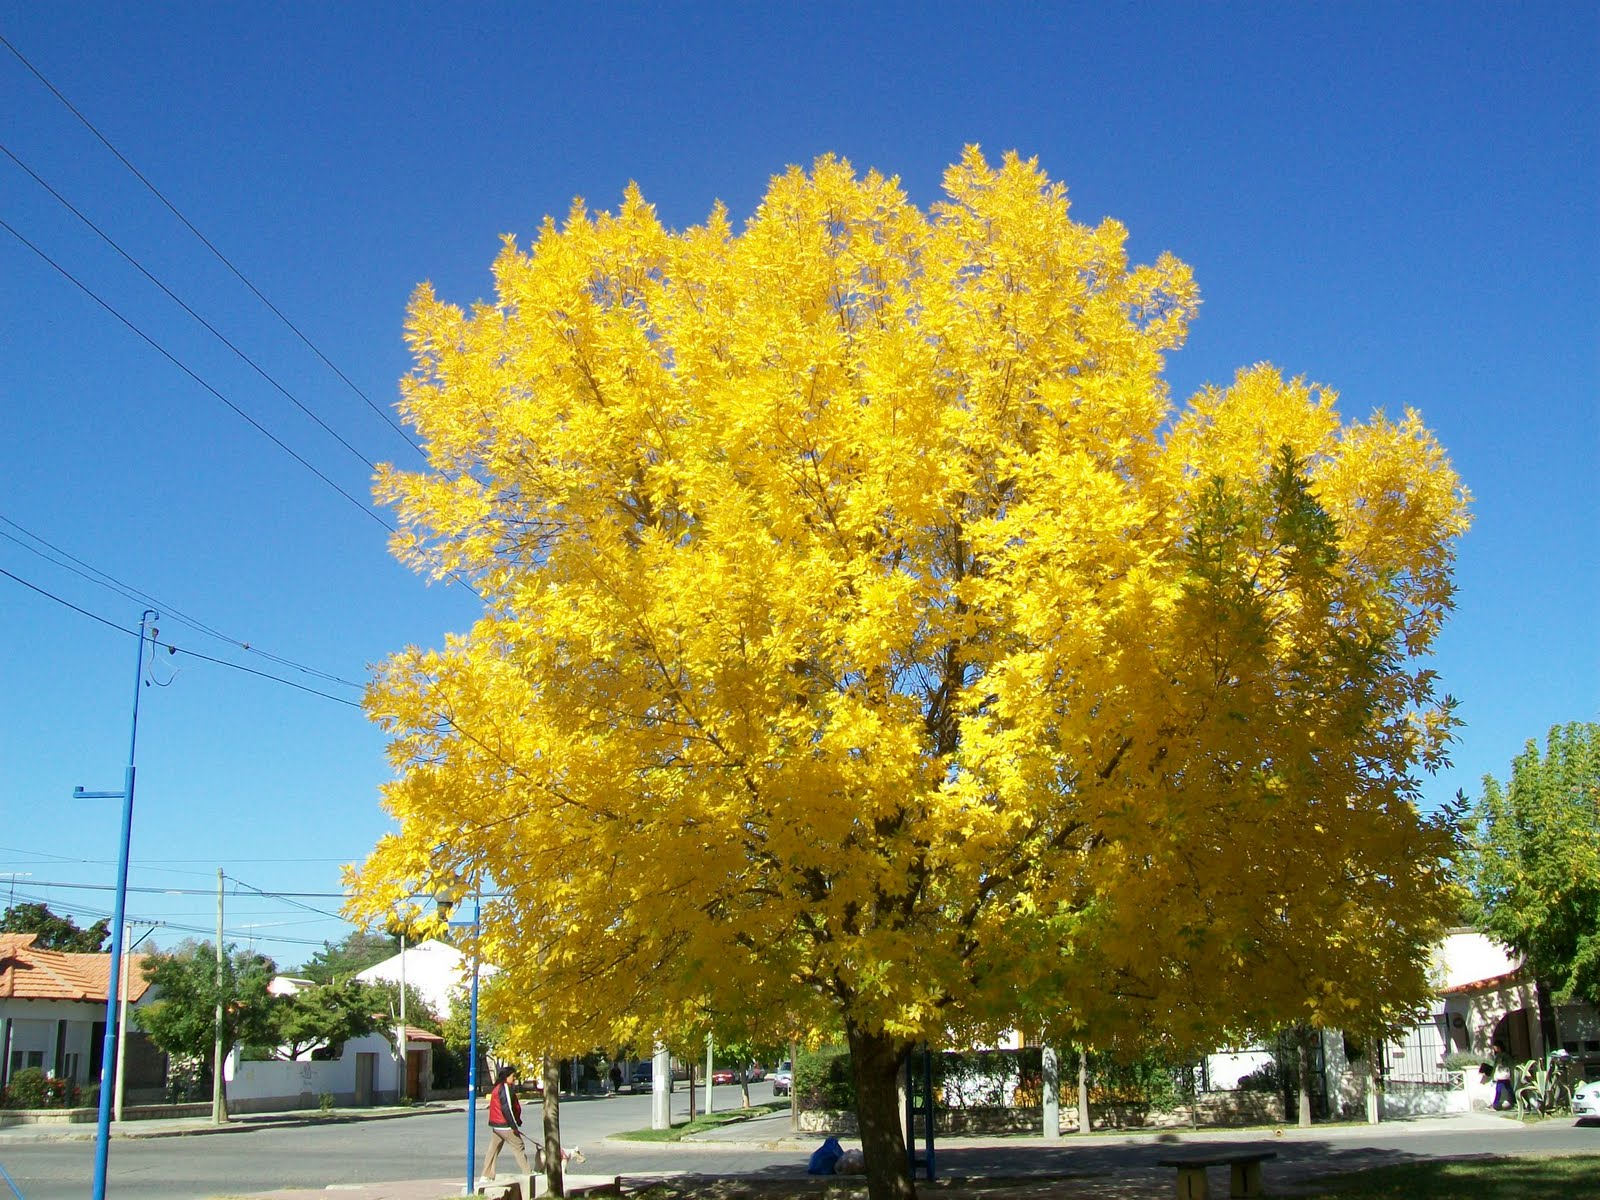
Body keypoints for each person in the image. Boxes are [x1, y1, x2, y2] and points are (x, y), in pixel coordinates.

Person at [479, 1065, 533, 1184]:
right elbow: (506, 1107)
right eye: (513, 1076)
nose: (514, 1079)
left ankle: (486, 1175)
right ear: (506, 1077)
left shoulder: (497, 1088)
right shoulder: (504, 1088)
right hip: (505, 1125)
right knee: (519, 1146)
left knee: (493, 1149)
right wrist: (513, 1124)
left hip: (497, 1125)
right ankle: (528, 1173)